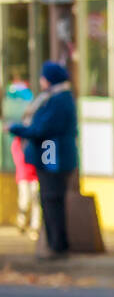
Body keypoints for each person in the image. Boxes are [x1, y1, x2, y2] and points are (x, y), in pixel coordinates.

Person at [8, 61, 78, 259]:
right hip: (52, 154)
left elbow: (42, 128)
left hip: (52, 155)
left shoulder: (57, 100)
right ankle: (55, 243)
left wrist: (16, 129)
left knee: (51, 199)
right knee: (50, 199)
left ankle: (57, 245)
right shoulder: (57, 98)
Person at [6, 73, 39, 240]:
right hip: (24, 174)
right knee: (25, 199)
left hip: (34, 174)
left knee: (35, 200)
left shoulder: (36, 137)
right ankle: (22, 221)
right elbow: (17, 155)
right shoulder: (20, 139)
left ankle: (34, 226)